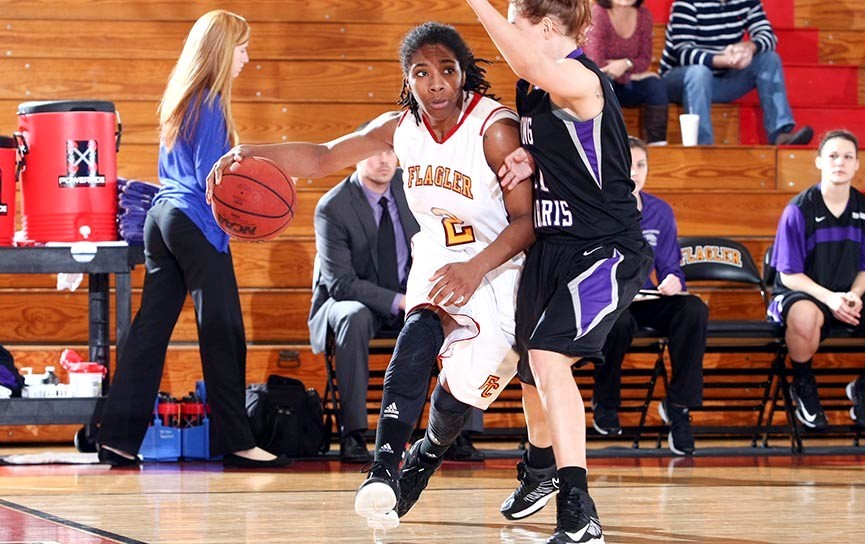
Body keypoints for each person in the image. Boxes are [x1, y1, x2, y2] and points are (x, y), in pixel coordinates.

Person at [207, 21, 544, 528]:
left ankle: (425, 456)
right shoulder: (398, 128)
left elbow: (527, 222)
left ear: (464, 74)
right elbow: (323, 156)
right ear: (407, 80)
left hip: (499, 262)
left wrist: (476, 268)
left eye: (446, 70)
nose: (435, 83)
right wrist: (249, 152)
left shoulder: (494, 129)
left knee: (462, 392)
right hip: (437, 251)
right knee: (419, 327)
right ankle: (383, 468)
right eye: (421, 72)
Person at [466, 1, 655, 542]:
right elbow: (566, 149)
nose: (510, 34)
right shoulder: (535, 89)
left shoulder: (577, 76)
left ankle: (579, 507)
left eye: (516, 22)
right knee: (531, 370)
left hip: (604, 250)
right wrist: (530, 157)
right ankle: (542, 468)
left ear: (546, 28)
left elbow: (533, 67)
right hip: (552, 246)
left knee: (550, 357)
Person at [96, 10, 289, 469]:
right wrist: (245, 218)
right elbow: (214, 182)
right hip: (194, 221)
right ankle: (238, 443)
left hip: (160, 218)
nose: (246, 56)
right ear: (223, 51)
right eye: (242, 47)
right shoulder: (212, 104)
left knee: (150, 331)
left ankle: (118, 438)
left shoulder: (181, 99)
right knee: (223, 332)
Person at [308, 137, 486, 463]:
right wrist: (401, 301)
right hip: (353, 300)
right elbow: (341, 283)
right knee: (353, 317)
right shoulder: (333, 207)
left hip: (412, 293)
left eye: (391, 151)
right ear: (356, 156)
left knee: (460, 309)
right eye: (374, 152)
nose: (384, 160)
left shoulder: (412, 189)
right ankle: (354, 434)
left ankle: (459, 433)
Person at [767, 129, 865, 432]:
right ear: (819, 161)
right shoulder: (798, 209)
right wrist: (830, 298)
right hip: (804, 292)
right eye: (833, 156)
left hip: (850, 294)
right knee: (805, 315)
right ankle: (803, 384)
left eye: (848, 156)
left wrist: (855, 294)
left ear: (857, 164)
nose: (840, 162)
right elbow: (788, 275)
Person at [593, 137, 706, 456]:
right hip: (610, 301)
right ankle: (606, 401)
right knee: (618, 323)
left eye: (641, 165)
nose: (635, 172)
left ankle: (679, 407)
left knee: (693, 309)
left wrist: (673, 280)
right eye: (628, 164)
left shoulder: (660, 210)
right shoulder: (599, 208)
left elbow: (672, 266)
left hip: (647, 297)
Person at [659, 0, 813, 146]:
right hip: (680, 79)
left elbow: (768, 36)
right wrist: (723, 60)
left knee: (769, 59)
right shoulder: (686, 3)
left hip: (721, 80)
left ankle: (780, 133)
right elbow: (683, 53)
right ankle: (702, 144)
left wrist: (748, 48)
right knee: (699, 73)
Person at [583, 0, 668, 145]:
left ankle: (657, 144)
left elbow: (645, 60)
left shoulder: (644, 15)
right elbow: (596, 63)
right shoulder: (598, 14)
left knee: (655, 85)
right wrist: (630, 72)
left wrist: (626, 64)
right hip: (602, 83)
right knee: (605, 82)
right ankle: (607, 144)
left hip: (628, 82)